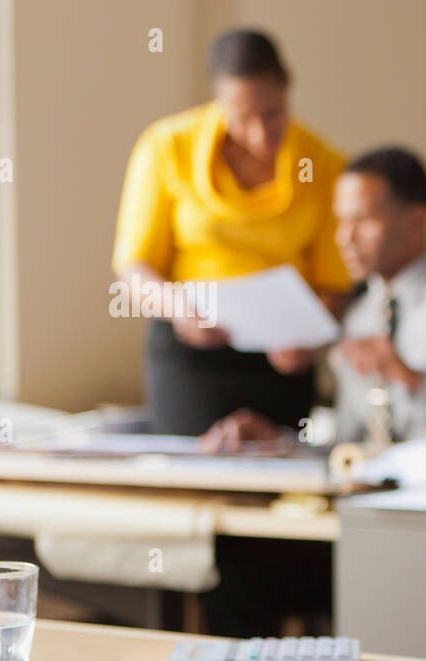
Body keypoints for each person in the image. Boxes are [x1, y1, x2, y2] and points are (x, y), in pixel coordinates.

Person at [200, 146, 426, 451]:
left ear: (416, 221)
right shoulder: (360, 316)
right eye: (340, 222)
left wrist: (414, 381)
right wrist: (279, 445)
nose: (343, 238)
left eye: (363, 221)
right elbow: (352, 445)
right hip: (375, 514)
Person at [112, 29, 350, 436]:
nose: (260, 134)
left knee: (279, 475)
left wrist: (308, 336)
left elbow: (335, 285)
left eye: (272, 115)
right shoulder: (166, 146)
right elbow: (134, 268)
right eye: (243, 118)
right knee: (197, 469)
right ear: (218, 101)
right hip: (191, 351)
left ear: (288, 84)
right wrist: (180, 310)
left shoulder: (324, 164)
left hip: (282, 359)